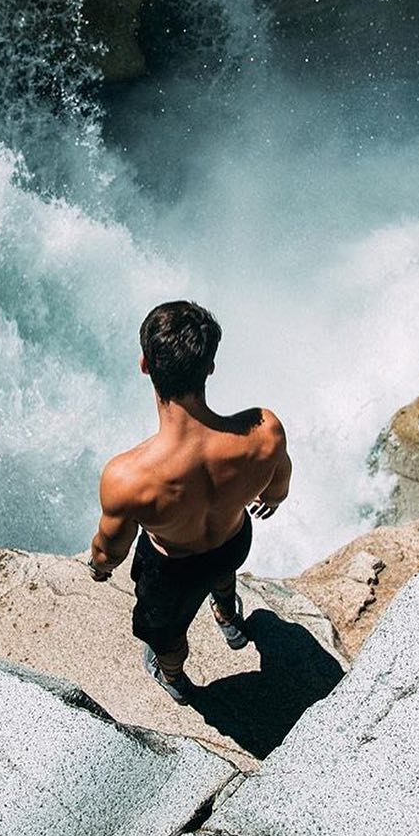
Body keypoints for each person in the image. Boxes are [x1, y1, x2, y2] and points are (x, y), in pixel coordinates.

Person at [87, 300, 292, 705]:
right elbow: (279, 482)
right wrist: (271, 497)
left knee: (166, 636)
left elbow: (111, 549)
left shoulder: (129, 478)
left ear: (145, 365)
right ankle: (230, 618)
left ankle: (174, 678)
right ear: (210, 367)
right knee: (221, 571)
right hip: (233, 541)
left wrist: (99, 567)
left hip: (171, 571)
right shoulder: (264, 432)